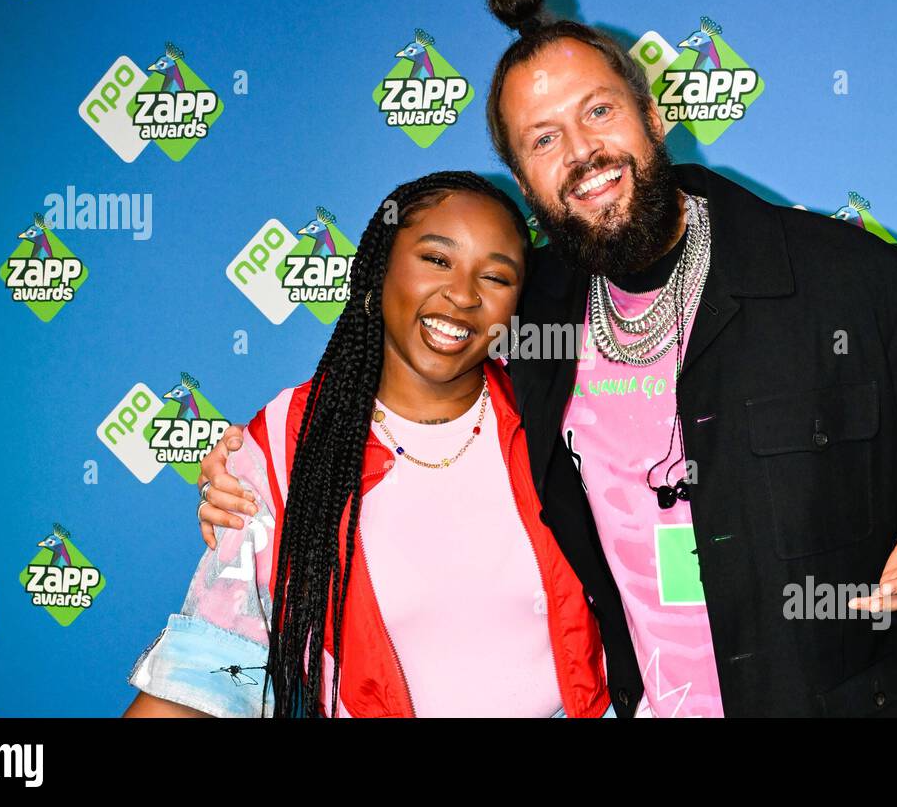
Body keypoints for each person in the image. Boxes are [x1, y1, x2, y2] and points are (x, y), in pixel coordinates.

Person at [198, 0, 897, 717]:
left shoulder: (854, 279)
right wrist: (257, 473)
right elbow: (421, 393)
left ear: (653, 113)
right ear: (525, 181)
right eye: (543, 139)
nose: (583, 153)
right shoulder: (532, 314)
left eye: (597, 111)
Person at [125, 171, 610, 717]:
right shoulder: (290, 444)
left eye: (496, 277)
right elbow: (209, 670)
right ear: (379, 267)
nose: (463, 295)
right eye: (436, 259)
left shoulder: (560, 416)